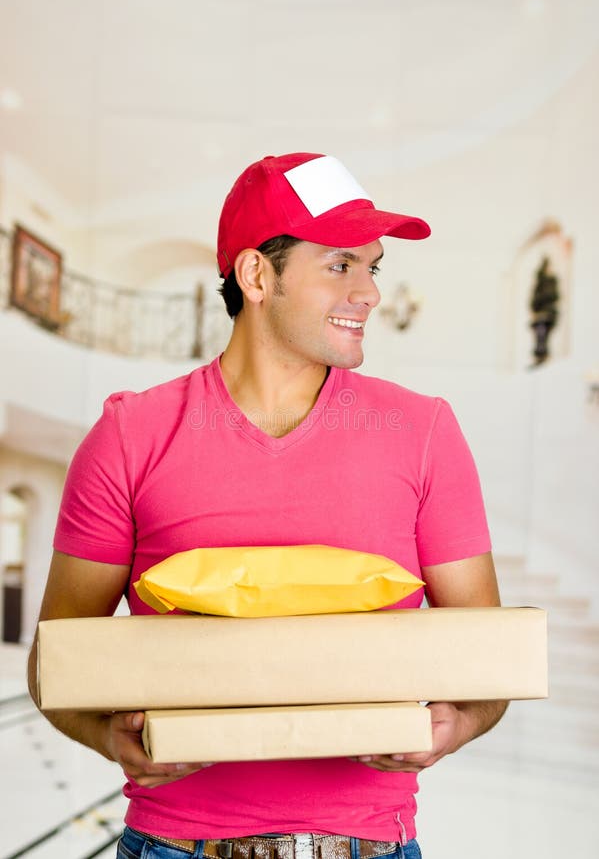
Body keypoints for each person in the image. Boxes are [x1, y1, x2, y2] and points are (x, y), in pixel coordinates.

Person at [28, 152, 507, 859]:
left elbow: (487, 661)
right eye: (340, 266)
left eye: (373, 268)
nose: (369, 293)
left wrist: (456, 725)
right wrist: (108, 737)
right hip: (175, 846)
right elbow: (57, 659)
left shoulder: (423, 431)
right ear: (257, 275)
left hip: (370, 846)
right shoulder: (131, 436)